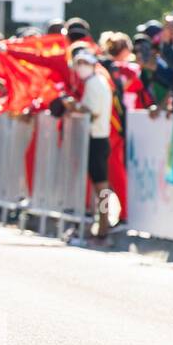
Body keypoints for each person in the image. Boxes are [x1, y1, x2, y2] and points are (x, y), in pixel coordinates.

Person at [65, 51, 113, 240]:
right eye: (79, 63)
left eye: (84, 62)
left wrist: (73, 106)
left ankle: (103, 223)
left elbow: (92, 113)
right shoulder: (97, 82)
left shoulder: (95, 83)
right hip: (98, 137)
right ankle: (102, 222)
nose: (81, 66)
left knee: (101, 186)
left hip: (97, 138)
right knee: (99, 185)